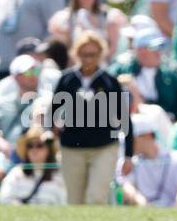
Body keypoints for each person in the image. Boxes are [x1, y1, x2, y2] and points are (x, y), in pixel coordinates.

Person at [51, 31, 131, 205]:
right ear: (77, 54)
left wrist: (129, 155)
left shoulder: (109, 82)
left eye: (93, 54)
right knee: (74, 199)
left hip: (103, 146)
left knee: (96, 197)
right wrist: (55, 124)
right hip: (72, 147)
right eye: (84, 54)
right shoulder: (67, 80)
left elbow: (124, 118)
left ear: (100, 55)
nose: (88, 59)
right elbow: (53, 112)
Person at [109, 28, 177, 120]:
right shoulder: (120, 71)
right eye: (154, 47)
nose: (159, 52)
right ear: (140, 51)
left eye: (161, 47)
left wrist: (173, 116)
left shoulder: (170, 75)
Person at [116, 112, 177, 207]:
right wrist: (142, 204)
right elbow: (127, 186)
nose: (128, 144)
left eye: (131, 139)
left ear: (148, 135)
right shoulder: (129, 163)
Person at [49, 0, 126, 61]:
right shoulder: (65, 18)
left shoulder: (109, 16)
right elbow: (66, 51)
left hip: (102, 68)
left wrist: (93, 63)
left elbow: (113, 50)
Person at [0, 121, 67, 205]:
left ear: (48, 150)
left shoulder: (58, 176)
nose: (34, 149)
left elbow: (64, 205)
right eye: (30, 146)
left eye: (39, 145)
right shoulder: (16, 173)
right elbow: (4, 199)